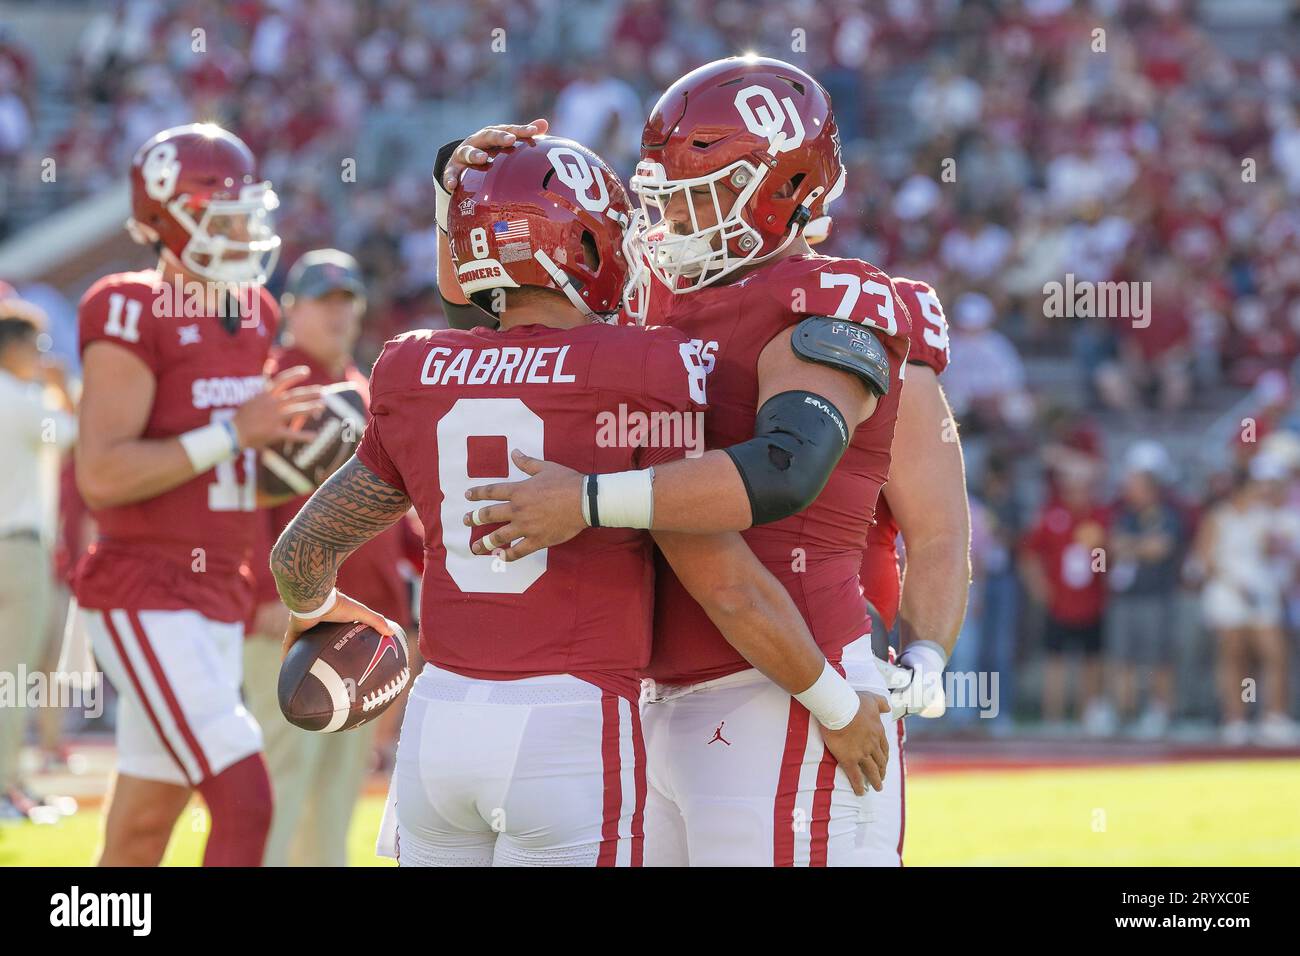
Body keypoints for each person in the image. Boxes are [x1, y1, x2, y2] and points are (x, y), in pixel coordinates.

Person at [272, 136, 888, 867]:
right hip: (570, 725)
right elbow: (722, 581)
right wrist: (836, 704)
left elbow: (299, 556)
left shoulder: (412, 366)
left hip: (439, 726)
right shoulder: (641, 364)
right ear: (587, 245)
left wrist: (318, 610)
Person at [443, 57, 921, 865]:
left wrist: (589, 500)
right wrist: (463, 192)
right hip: (648, 694)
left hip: (784, 684)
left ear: (785, 190)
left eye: (699, 196)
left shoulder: (834, 294)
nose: (673, 220)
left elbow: (784, 467)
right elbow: (489, 310)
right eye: (666, 196)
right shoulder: (650, 300)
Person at [72, 123, 319, 866]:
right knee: (246, 801)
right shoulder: (127, 305)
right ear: (168, 219)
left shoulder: (255, 313)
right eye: (226, 214)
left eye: (251, 212)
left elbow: (241, 449)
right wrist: (233, 433)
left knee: (146, 823)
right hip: (146, 584)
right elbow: (102, 474)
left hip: (218, 589)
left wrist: (289, 442)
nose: (246, 231)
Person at [243, 249, 413, 866]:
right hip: (295, 617)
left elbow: (393, 516)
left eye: (348, 300)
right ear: (291, 307)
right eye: (323, 300)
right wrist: (261, 594)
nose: (338, 313)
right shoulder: (275, 382)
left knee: (338, 793)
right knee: (283, 778)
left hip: (362, 620)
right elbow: (243, 499)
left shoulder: (365, 387)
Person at [0, 297, 75, 819]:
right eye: (36, 344)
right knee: (14, 676)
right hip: (18, 549)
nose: (42, 353)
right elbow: (72, 433)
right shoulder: (23, 398)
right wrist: (57, 384)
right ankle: (6, 786)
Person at [1196, 455, 1300, 745]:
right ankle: (1237, 718)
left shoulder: (1270, 517)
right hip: (1228, 593)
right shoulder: (1220, 516)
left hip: (1262, 594)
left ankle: (1274, 717)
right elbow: (1205, 559)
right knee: (1235, 656)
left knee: (1273, 653)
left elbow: (1279, 554)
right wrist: (1233, 584)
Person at [1021, 455, 1111, 734]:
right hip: (1059, 602)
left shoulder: (1098, 517)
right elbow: (1029, 553)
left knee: (1091, 661)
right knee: (1055, 661)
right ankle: (1054, 717)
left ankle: (1088, 714)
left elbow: (1109, 558)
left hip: (1092, 601)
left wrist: (1103, 558)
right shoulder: (1051, 516)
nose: (1077, 493)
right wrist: (1039, 587)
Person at [1106, 441, 1185, 737]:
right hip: (1126, 597)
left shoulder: (1167, 515)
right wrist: (1140, 546)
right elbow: (1114, 545)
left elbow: (1161, 548)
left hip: (1155, 596)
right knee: (1123, 657)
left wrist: (1132, 546)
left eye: (1135, 482)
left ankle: (1159, 710)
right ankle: (1124, 713)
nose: (1128, 487)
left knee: (1157, 659)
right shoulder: (1125, 514)